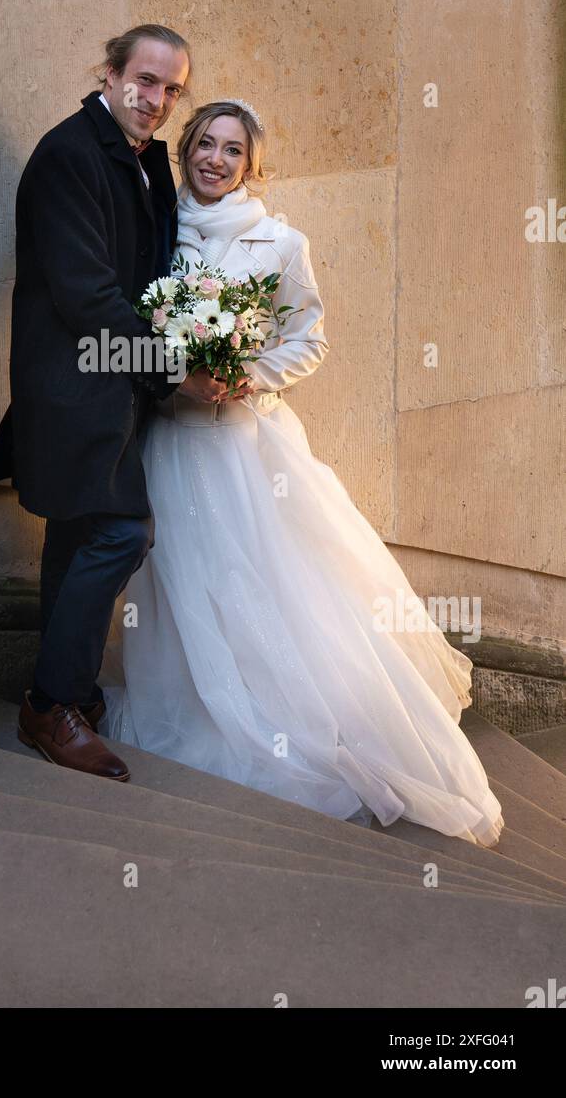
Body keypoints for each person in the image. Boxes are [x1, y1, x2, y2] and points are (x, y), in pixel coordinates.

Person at [100, 98, 504, 847]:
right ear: (184, 149)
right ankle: (200, 707)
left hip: (246, 446)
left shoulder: (280, 240)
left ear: (253, 164)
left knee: (271, 580)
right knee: (185, 587)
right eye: (204, 144)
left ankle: (296, 722)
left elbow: (307, 340)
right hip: (168, 438)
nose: (214, 159)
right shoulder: (154, 228)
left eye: (231, 149)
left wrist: (246, 373)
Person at [0, 26, 228, 781]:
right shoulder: (67, 155)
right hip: (75, 386)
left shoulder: (145, 160)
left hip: (116, 387)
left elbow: (152, 280)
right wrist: (173, 372)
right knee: (122, 532)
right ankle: (51, 704)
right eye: (145, 80)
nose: (155, 100)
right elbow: (87, 295)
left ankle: (68, 696)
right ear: (111, 73)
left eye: (170, 88)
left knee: (76, 536)